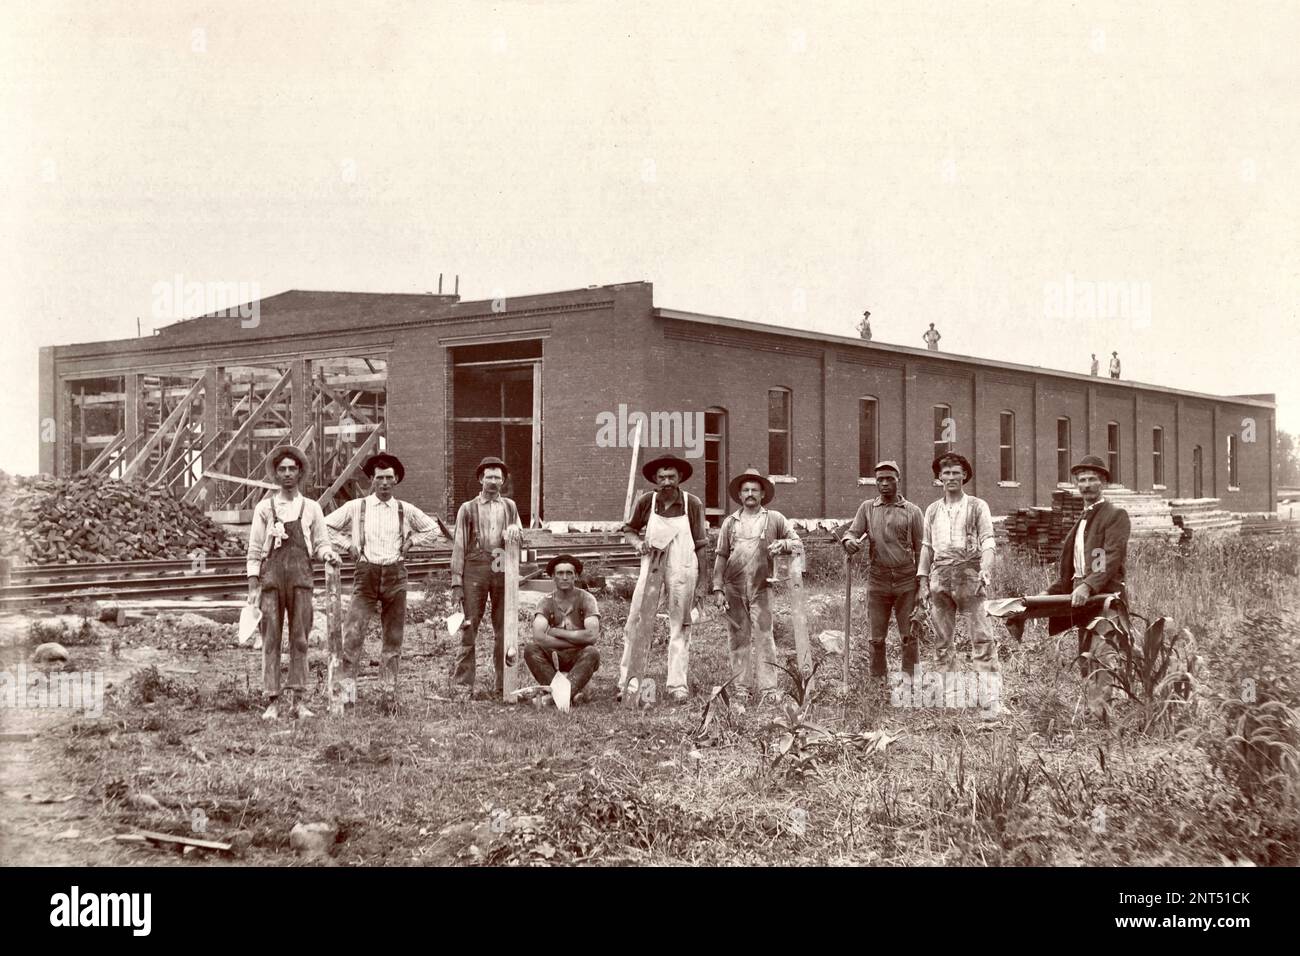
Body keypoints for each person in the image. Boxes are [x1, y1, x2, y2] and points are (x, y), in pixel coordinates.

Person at [323, 452, 447, 706]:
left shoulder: (405, 509)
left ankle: (387, 695)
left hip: (395, 575)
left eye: (390, 478)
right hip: (366, 573)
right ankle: (346, 695)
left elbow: (433, 529)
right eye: (380, 478)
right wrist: (347, 545)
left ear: (396, 480)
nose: (385, 483)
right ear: (371, 479)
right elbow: (325, 526)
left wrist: (412, 541)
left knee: (393, 640)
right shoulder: (357, 507)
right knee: (353, 635)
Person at [246, 445, 339, 720]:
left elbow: (321, 543)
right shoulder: (264, 508)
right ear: (276, 473)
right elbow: (253, 550)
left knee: (299, 639)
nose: (287, 474)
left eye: (292, 469)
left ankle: (298, 701)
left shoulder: (311, 508)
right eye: (282, 469)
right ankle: (272, 701)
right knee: (271, 639)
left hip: (301, 580)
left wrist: (328, 554)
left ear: (300, 472)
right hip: (271, 582)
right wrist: (253, 586)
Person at [1043, 454, 1131, 717]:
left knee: (1102, 654)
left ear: (1103, 482)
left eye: (1092, 479)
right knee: (1085, 656)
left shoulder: (1113, 516)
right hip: (1083, 596)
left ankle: (1102, 716)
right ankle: (1095, 712)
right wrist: (1048, 593)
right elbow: (1071, 570)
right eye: (1082, 480)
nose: (1087, 485)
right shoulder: (1082, 520)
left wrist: (1088, 587)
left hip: (1104, 597)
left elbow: (1108, 559)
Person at [618, 454, 708, 704]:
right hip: (652, 565)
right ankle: (628, 681)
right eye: (661, 477)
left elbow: (701, 545)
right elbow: (629, 529)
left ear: (679, 478)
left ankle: (677, 684)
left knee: (680, 624)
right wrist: (637, 544)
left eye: (671, 477)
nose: (666, 482)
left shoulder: (693, 504)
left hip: (683, 567)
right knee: (635, 620)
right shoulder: (648, 501)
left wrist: (702, 584)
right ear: (655, 480)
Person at [710, 468, 800, 709]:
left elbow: (797, 543)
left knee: (764, 637)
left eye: (754, 490)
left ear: (762, 495)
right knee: (738, 638)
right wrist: (717, 587)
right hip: (734, 588)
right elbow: (720, 557)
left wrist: (782, 544)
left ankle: (769, 689)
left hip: (762, 587)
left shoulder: (775, 519)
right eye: (746, 490)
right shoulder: (730, 523)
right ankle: (741, 688)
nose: (750, 494)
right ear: (739, 495)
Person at [841, 460, 924, 682]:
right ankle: (878, 683)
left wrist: (922, 586)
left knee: (909, 635)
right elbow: (851, 533)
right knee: (876, 637)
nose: (885, 483)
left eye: (890, 479)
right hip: (878, 581)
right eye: (880, 480)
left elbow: (923, 551)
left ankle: (911, 683)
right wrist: (849, 541)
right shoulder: (867, 508)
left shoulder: (913, 512)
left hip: (907, 580)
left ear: (899, 480)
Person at [916, 452, 998, 672]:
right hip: (939, 578)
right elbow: (927, 546)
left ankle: (988, 693)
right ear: (939, 478)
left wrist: (986, 568)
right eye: (946, 473)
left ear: (964, 476)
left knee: (981, 636)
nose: (951, 477)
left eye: (955, 473)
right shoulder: (932, 510)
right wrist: (923, 582)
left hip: (969, 575)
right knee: (942, 640)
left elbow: (988, 541)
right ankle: (948, 691)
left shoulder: (977, 506)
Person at [450, 456, 523, 698]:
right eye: (489, 476)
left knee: (505, 628)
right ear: (481, 479)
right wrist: (456, 583)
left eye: (497, 477)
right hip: (474, 568)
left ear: (503, 481)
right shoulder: (467, 508)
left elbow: (519, 537)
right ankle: (463, 687)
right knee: (469, 627)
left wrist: (515, 531)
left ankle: (504, 686)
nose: (493, 481)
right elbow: (459, 546)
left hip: (502, 568)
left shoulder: (510, 507)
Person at [523, 554, 601, 706]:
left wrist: (557, 632)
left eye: (569, 573)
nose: (564, 577)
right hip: (553, 657)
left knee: (592, 652)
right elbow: (539, 637)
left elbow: (591, 636)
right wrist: (576, 640)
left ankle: (554, 697)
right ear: (553, 576)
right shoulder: (545, 602)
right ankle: (571, 694)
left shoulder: (587, 599)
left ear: (576, 576)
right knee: (530, 649)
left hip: (578, 657)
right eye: (560, 573)